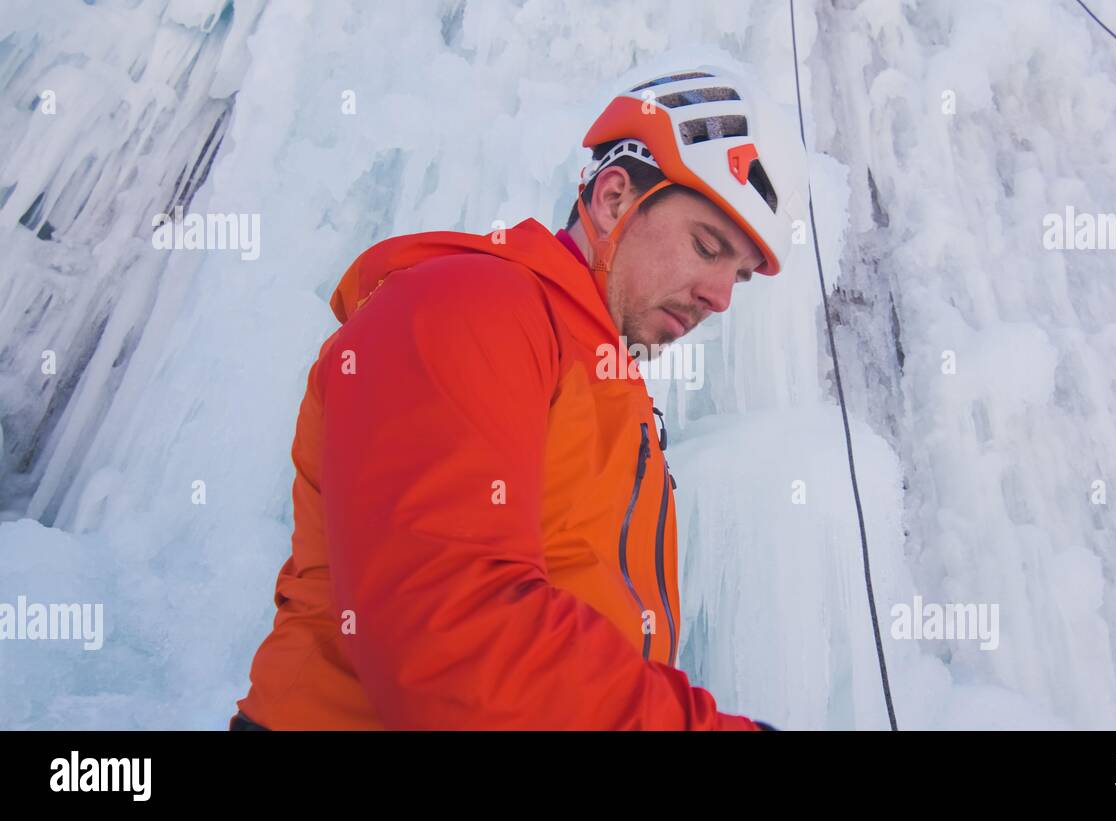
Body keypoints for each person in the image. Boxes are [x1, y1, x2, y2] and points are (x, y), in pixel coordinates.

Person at [230, 65, 809, 730]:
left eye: (737, 275)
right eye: (708, 247)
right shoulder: (466, 306)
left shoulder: (606, 388)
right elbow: (454, 637)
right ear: (614, 198)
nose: (721, 296)